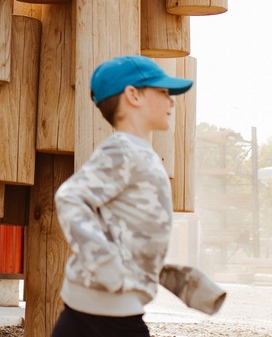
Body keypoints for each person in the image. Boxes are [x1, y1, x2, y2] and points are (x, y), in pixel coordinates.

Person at [52, 55, 193, 337]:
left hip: (100, 303)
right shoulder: (123, 150)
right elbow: (70, 197)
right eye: (163, 92)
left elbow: (127, 231)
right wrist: (107, 265)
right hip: (110, 305)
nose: (172, 102)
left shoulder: (137, 151)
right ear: (133, 95)